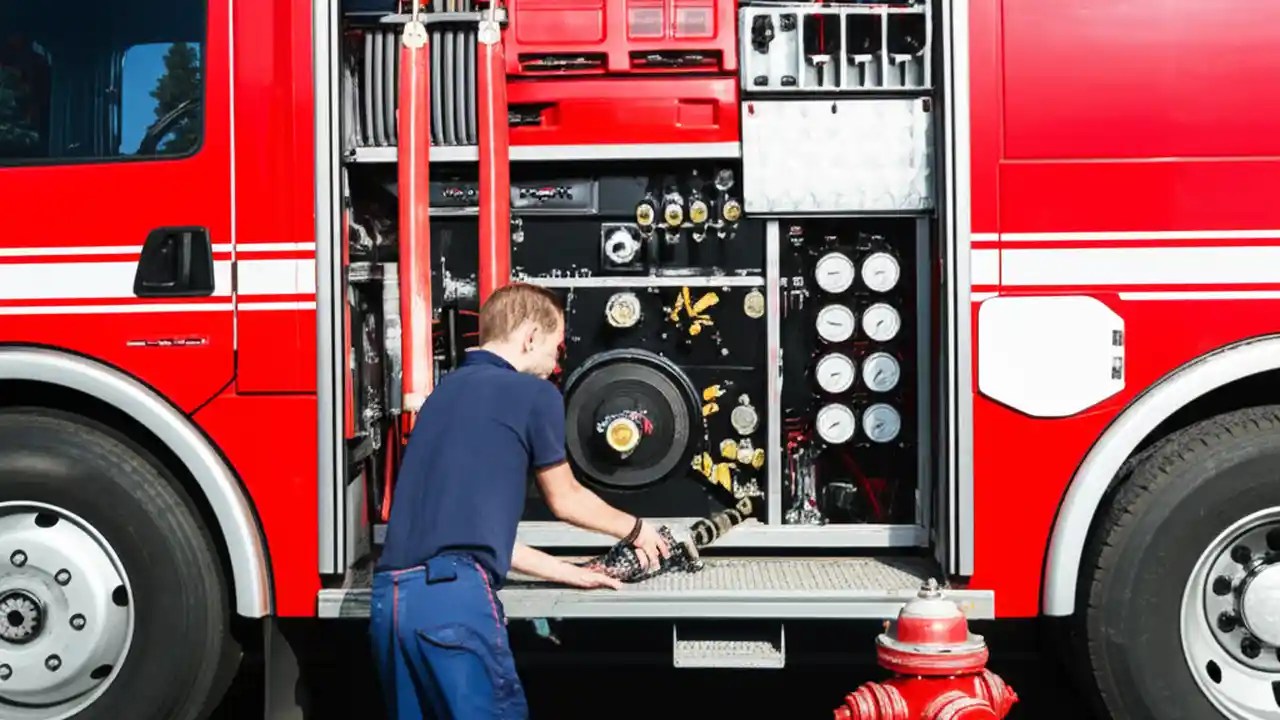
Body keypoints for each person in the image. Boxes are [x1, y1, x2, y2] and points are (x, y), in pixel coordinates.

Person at [369, 282, 671, 719]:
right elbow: (565, 500)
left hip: (393, 604)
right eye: (555, 347)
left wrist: (568, 572)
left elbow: (469, 535)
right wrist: (639, 529)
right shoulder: (534, 395)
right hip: (454, 606)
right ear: (530, 336)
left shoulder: (442, 397)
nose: (556, 363)